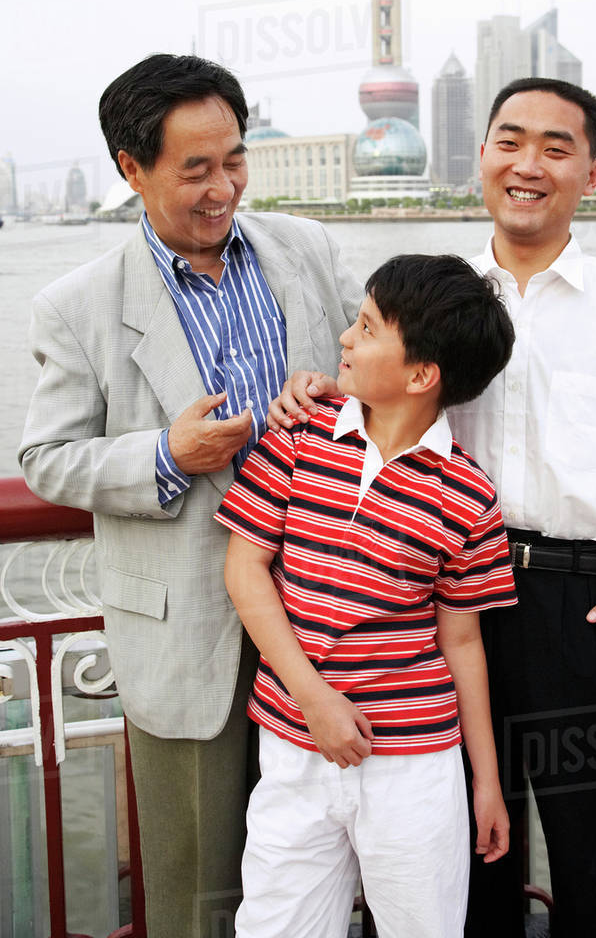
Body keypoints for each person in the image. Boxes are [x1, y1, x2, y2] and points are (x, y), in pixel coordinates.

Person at [268, 78, 596, 938]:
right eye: (509, 141)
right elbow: (375, 404)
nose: (528, 165)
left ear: (591, 173)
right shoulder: (432, 301)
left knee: (592, 858)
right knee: (470, 856)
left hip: (581, 609)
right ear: (479, 155)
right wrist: (311, 389)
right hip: (444, 611)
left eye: (556, 149)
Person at [18, 53, 362, 938]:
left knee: (327, 867)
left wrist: (338, 392)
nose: (223, 189)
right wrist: (168, 454)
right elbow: (46, 460)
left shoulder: (309, 250)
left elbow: (390, 378)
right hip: (183, 635)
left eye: (235, 160)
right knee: (196, 886)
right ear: (131, 169)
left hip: (332, 614)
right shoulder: (77, 304)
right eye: (195, 170)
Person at [219, 254, 519, 938]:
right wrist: (314, 698)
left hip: (414, 762)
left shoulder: (467, 495)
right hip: (295, 746)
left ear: (421, 375)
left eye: (368, 326)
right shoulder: (300, 431)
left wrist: (485, 780)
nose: (346, 339)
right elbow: (245, 571)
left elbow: (461, 640)